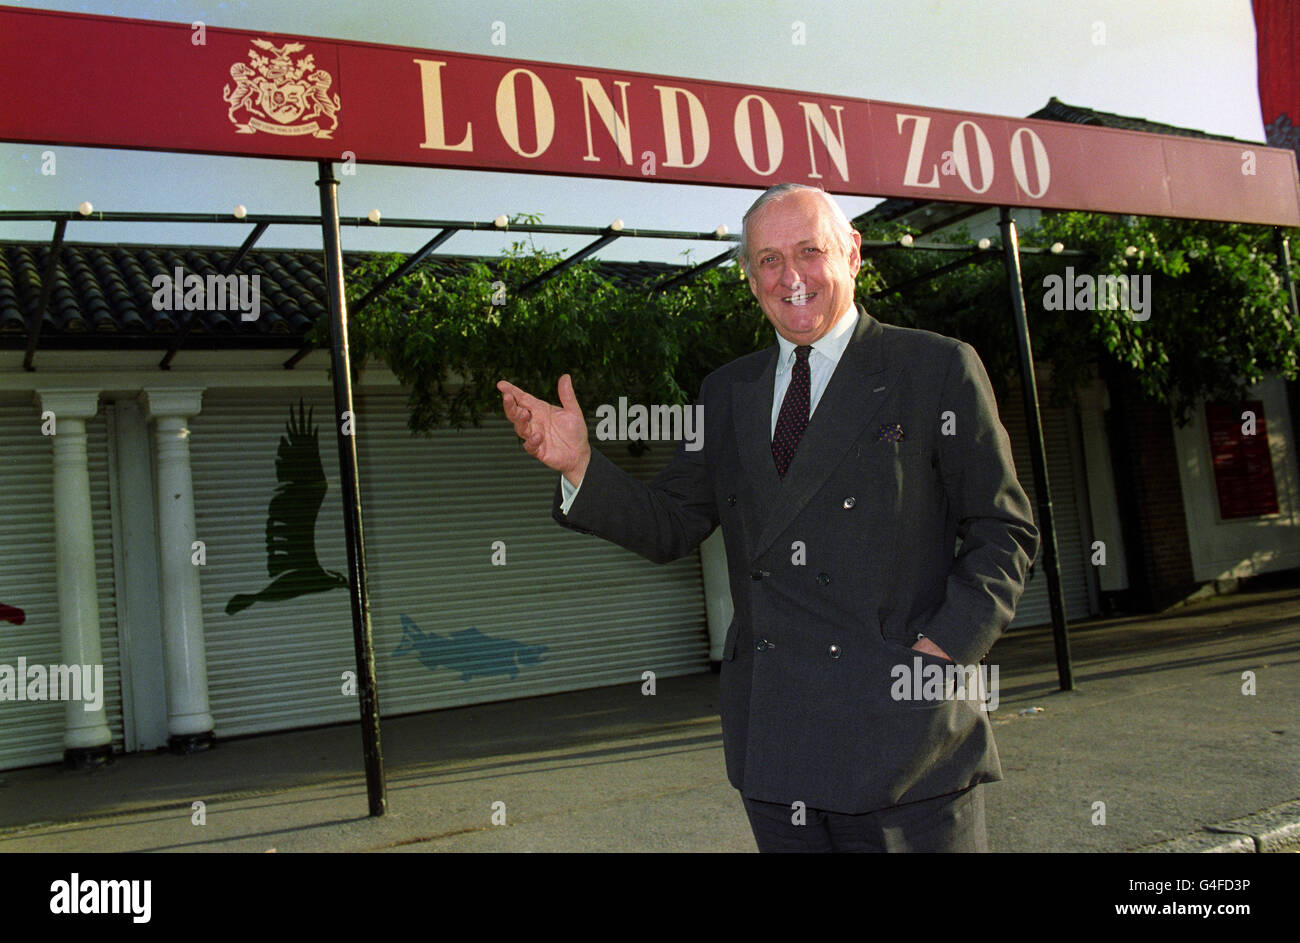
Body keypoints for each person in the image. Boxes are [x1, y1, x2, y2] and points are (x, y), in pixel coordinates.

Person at [497, 183, 1039, 852]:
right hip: (780, 747)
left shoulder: (932, 367)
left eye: (809, 251)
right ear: (752, 280)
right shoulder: (728, 392)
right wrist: (581, 465)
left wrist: (939, 655)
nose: (791, 277)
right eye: (768, 260)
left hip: (909, 744)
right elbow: (670, 521)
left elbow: (1003, 531)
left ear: (852, 253)